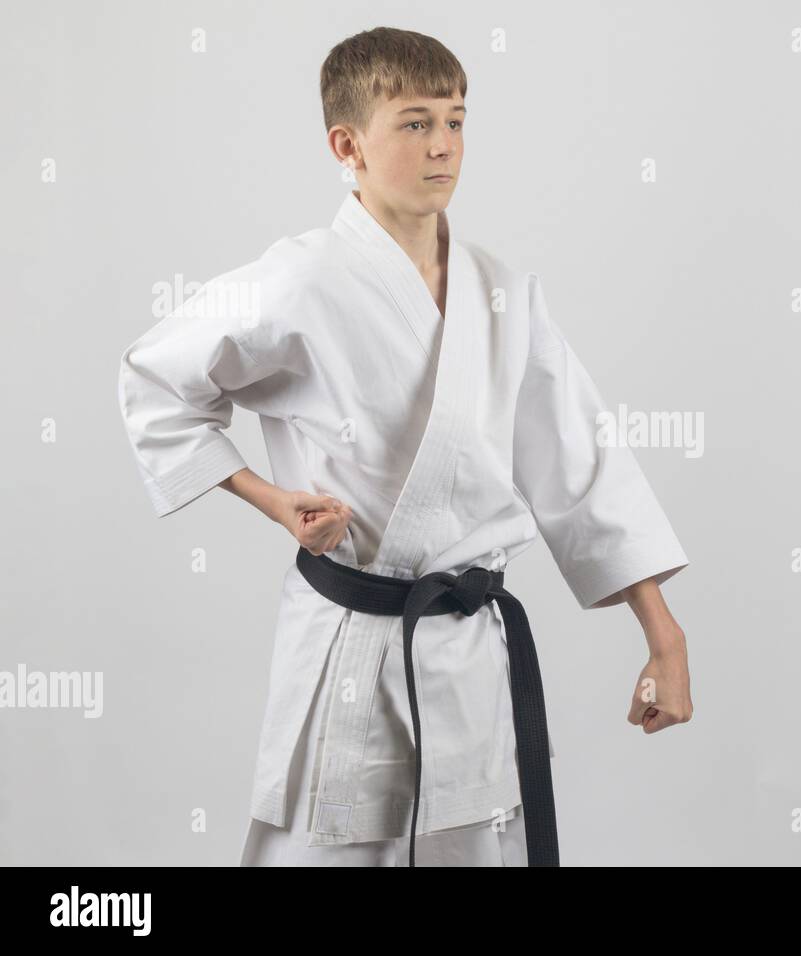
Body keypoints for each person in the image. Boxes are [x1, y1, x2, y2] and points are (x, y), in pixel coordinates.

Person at [117, 26, 692, 866]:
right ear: (346, 145)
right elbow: (156, 379)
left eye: (457, 122)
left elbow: (583, 466)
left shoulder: (503, 294)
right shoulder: (300, 279)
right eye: (415, 124)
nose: (444, 147)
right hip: (351, 641)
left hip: (470, 653)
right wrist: (267, 498)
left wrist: (664, 637)